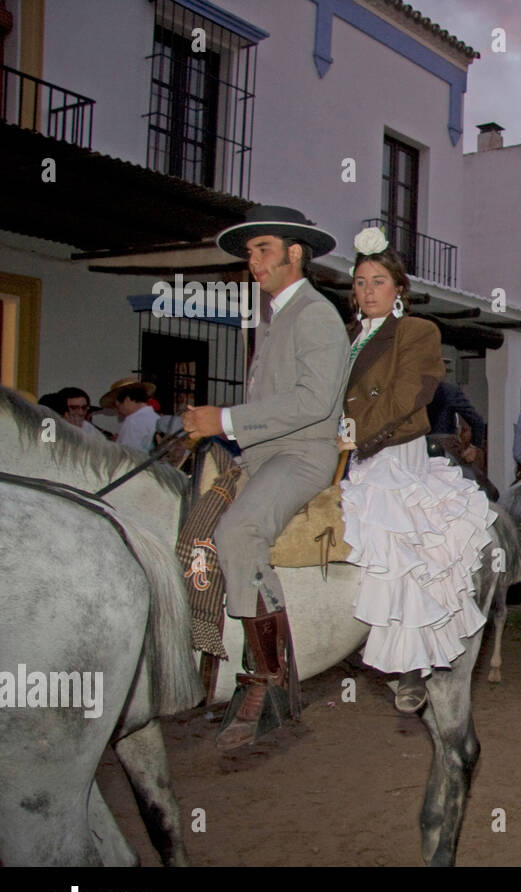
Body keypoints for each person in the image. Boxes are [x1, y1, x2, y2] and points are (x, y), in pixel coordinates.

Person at [182, 204, 350, 752]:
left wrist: (226, 420)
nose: (253, 262)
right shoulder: (276, 315)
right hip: (260, 453)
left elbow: (313, 400)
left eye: (263, 250)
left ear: (294, 254)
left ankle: (270, 678)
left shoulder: (316, 315)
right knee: (187, 518)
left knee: (237, 534)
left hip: (301, 455)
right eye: (249, 253)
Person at [338, 227, 494, 715]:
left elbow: (409, 395)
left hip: (393, 450)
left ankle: (410, 662)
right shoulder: (345, 339)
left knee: (399, 535)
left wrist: (355, 435)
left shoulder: (418, 332)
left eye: (379, 281)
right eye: (361, 283)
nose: (368, 291)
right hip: (341, 451)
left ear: (399, 288)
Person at [101, 377, 160, 453]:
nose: (117, 410)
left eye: (117, 405)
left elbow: (127, 454)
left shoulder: (133, 421)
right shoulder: (154, 417)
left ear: (127, 400)